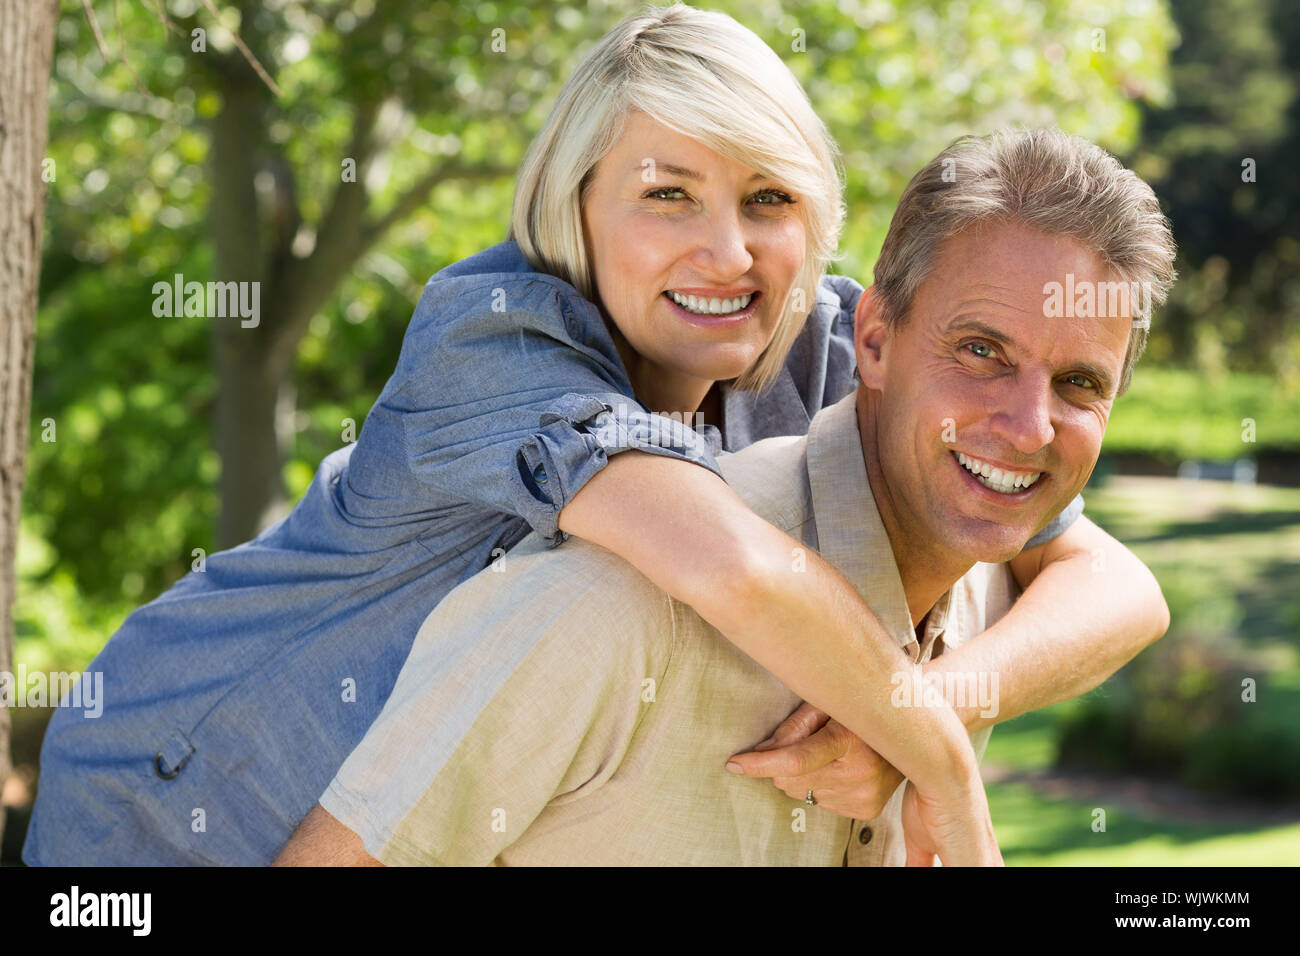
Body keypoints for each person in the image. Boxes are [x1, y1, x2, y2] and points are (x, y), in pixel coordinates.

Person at [25, 6, 1167, 867]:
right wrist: (941, 768)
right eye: (667, 194)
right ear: (574, 202)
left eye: (767, 199)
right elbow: (732, 565)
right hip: (174, 800)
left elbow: (1113, 583)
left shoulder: (828, 339)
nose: (727, 252)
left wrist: (943, 698)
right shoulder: (493, 335)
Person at [276, 127, 1179, 866]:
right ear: (873, 339)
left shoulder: (993, 599)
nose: (1027, 427)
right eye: (980, 350)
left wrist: (918, 714)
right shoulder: (620, 601)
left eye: (1079, 385)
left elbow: (1129, 595)